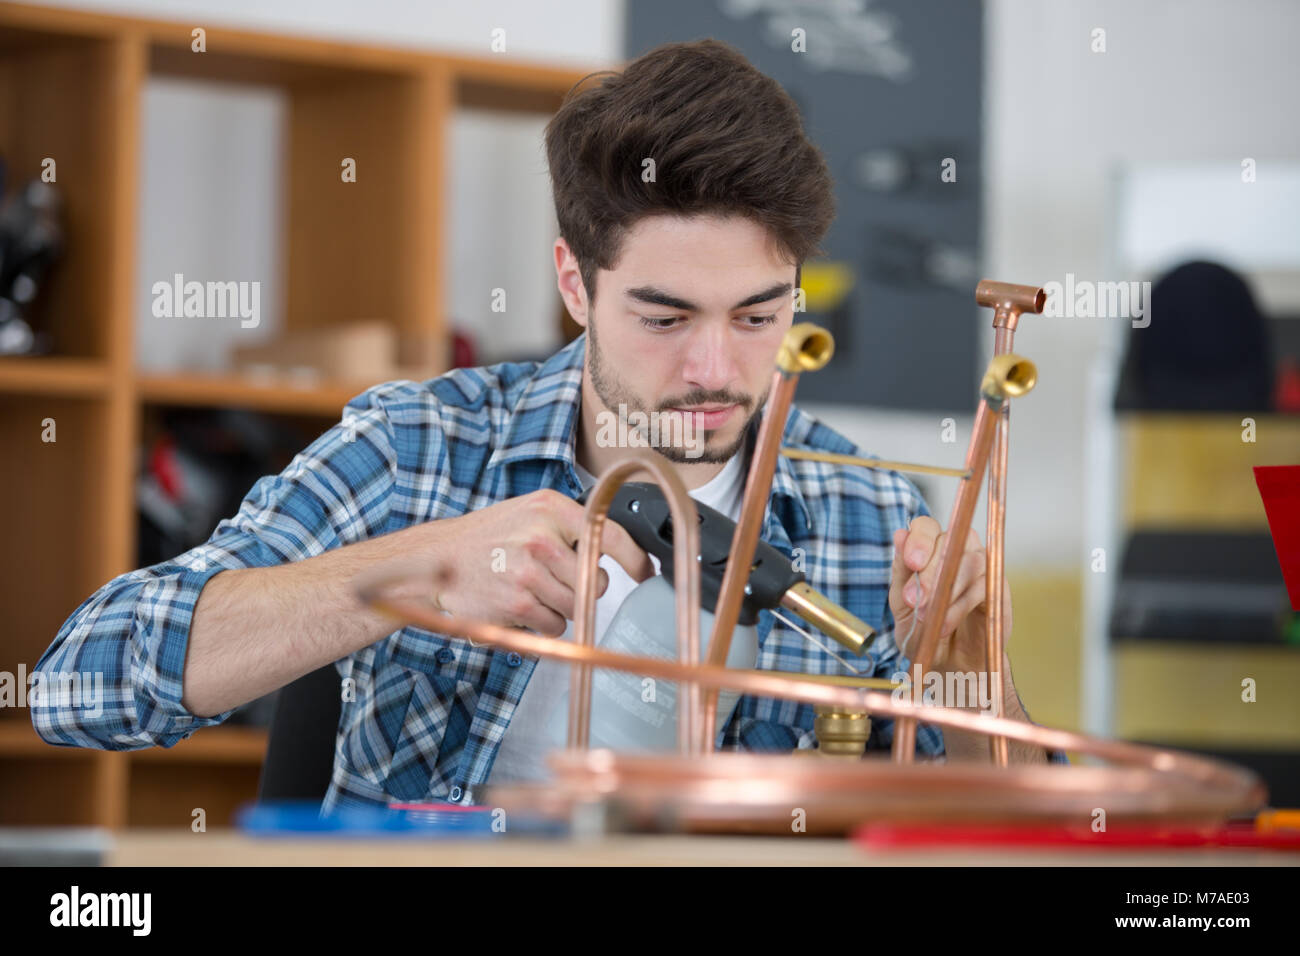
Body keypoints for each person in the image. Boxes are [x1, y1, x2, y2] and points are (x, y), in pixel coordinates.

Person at [34, 39, 1063, 813]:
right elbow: (79, 683)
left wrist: (975, 662)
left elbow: (1002, 821)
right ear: (574, 280)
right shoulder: (416, 447)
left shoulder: (872, 506)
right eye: (663, 317)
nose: (714, 369)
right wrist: (404, 571)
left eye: (760, 316)